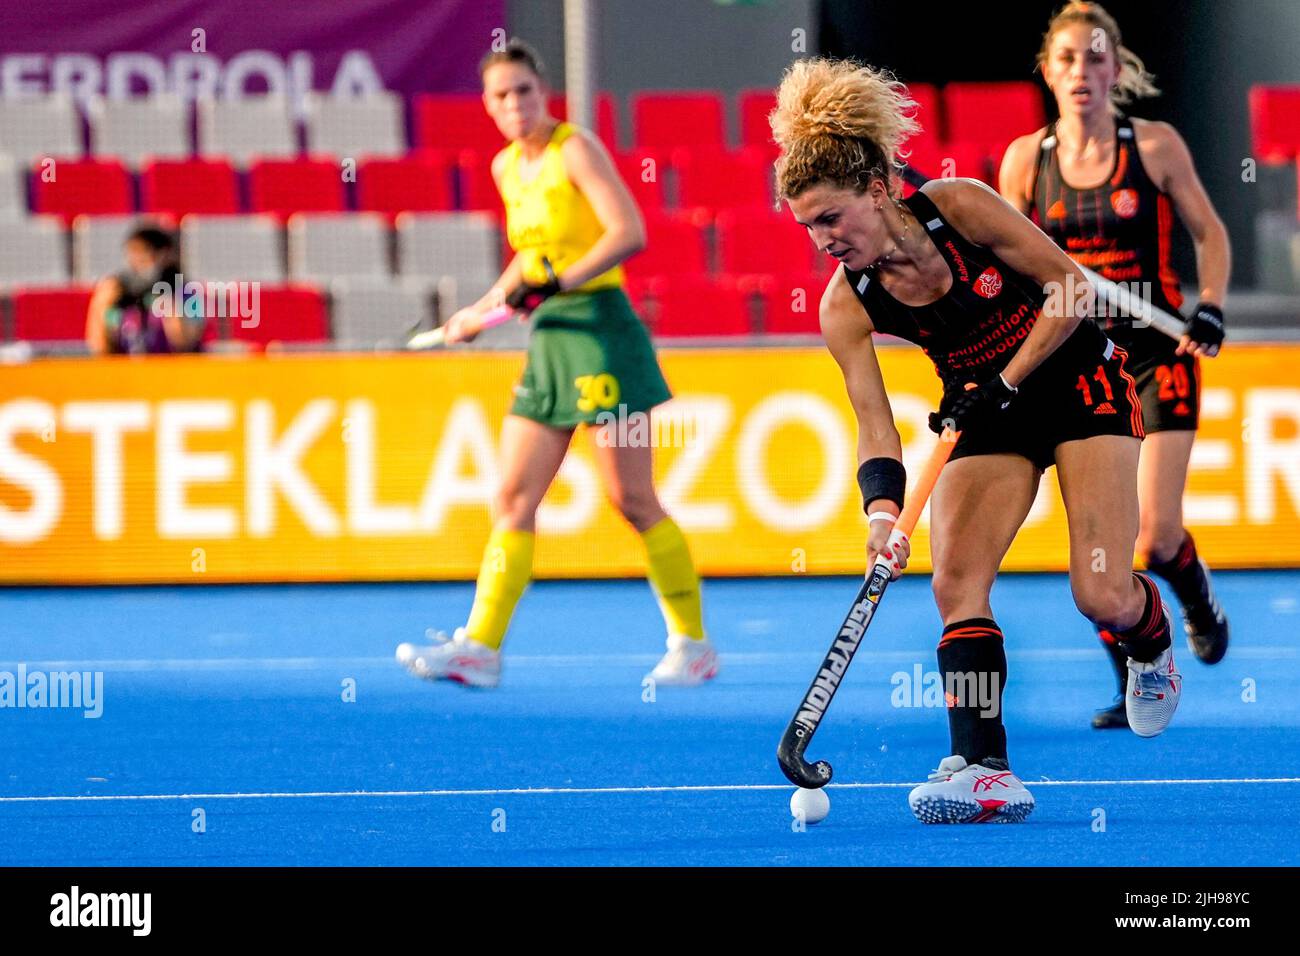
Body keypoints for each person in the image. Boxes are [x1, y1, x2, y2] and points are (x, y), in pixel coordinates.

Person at [770, 56, 1180, 824]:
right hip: (984, 413)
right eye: (808, 227)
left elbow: (1072, 288)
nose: (823, 240)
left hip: (1079, 383)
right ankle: (985, 767)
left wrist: (1008, 378)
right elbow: (874, 425)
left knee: (1099, 592)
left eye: (831, 218)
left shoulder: (959, 207)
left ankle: (1151, 639)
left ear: (879, 190)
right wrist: (881, 516)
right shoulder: (844, 306)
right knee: (954, 582)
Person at [395, 39, 717, 689]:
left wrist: (558, 282)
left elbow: (628, 232)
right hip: (551, 337)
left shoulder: (576, 149)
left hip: (601, 332)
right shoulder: (506, 167)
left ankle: (693, 644)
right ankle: (481, 649)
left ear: (542, 93)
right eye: (502, 95)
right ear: (488, 106)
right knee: (512, 497)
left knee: (632, 499)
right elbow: (530, 256)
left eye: (524, 90)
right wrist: (480, 310)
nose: (515, 103)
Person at [999, 0, 1231, 730]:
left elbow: (1210, 233)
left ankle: (1195, 598)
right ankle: (1136, 674)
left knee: (1155, 538)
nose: (1081, 71)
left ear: (1116, 69)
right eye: (1067, 58)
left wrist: (1211, 304)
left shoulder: (1154, 146)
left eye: (1095, 58)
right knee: (1105, 550)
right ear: (1047, 71)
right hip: (1083, 371)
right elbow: (1007, 263)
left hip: (1160, 356)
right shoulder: (1024, 162)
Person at [85, 225, 205, 355]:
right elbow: (100, 349)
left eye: (144, 254)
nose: (137, 262)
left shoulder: (188, 293)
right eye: (132, 254)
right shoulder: (119, 294)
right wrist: (100, 306)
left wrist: (170, 303)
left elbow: (186, 344)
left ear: (164, 255)